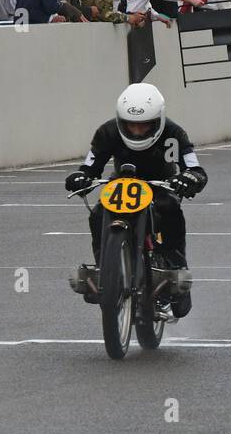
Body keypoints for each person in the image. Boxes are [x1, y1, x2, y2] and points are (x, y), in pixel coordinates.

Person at [64, 83, 207, 318]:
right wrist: (82, 177)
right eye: (131, 125)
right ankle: (105, 268)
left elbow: (194, 168)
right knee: (98, 213)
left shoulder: (174, 133)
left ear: (158, 120)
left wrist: (190, 178)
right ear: (121, 121)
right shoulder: (107, 132)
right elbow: (90, 165)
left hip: (161, 185)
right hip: (121, 184)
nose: (138, 131)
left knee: (170, 209)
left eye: (144, 125)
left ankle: (176, 267)